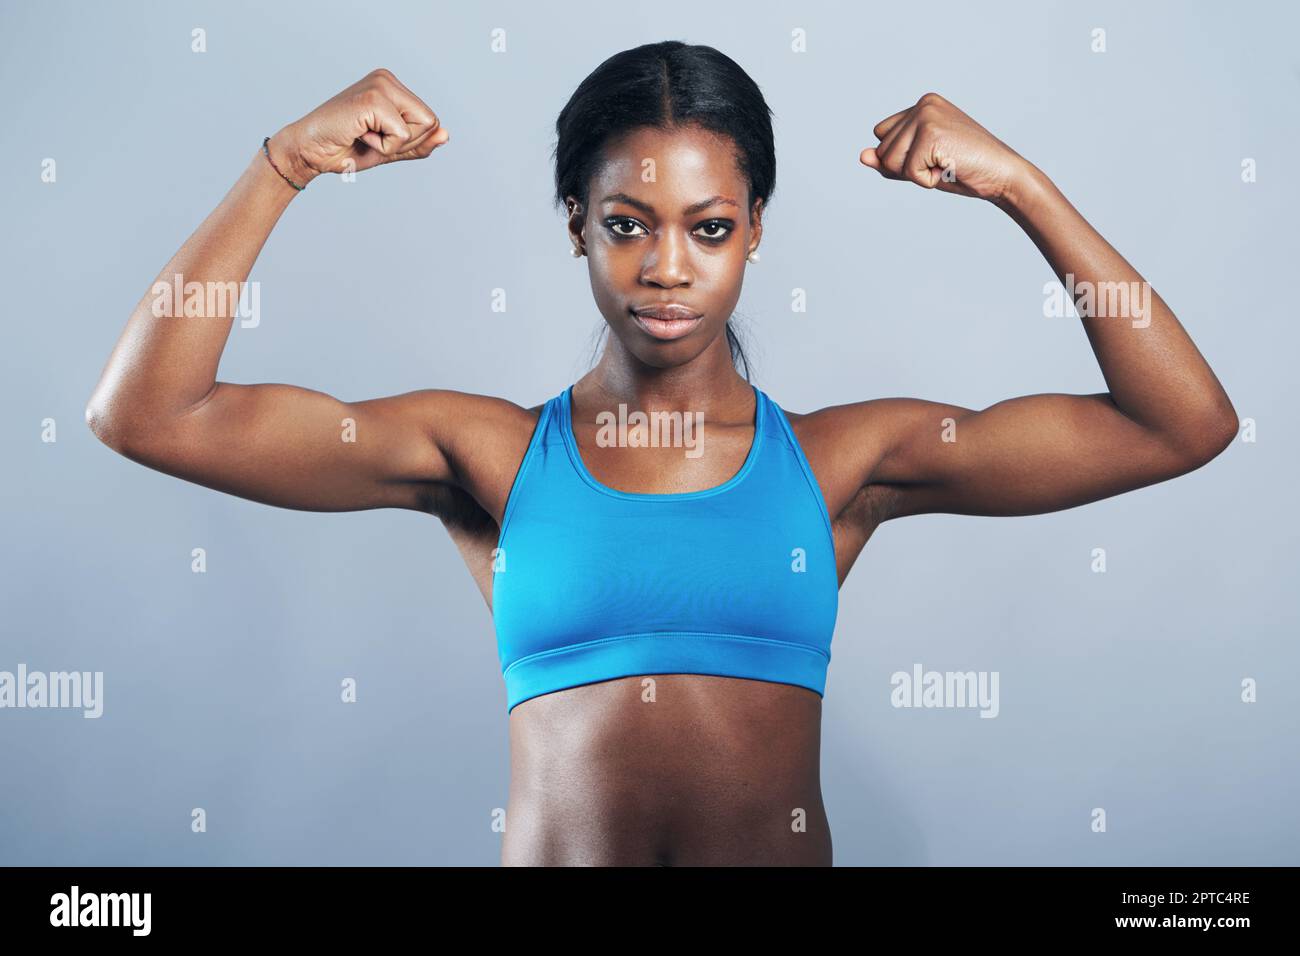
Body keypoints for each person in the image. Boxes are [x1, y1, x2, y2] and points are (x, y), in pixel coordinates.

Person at [85, 42, 1237, 866]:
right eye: (627, 223)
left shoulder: (844, 463)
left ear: (755, 233)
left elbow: (1178, 424)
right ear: (576, 226)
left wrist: (1020, 186)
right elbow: (149, 414)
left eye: (710, 226)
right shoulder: (480, 454)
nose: (668, 267)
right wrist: (283, 162)